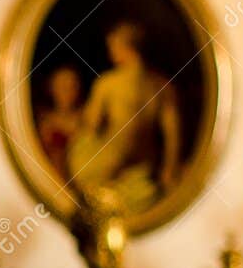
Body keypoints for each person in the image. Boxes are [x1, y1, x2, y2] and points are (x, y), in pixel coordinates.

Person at [66, 20, 182, 213]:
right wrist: (169, 169)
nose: (111, 52)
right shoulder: (162, 86)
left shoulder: (108, 84)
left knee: (78, 152)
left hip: (109, 167)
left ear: (125, 47)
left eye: (113, 46)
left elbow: (90, 126)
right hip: (144, 169)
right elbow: (173, 137)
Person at [36, 66, 84, 181]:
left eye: (72, 86)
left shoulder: (87, 117)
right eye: (62, 87)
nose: (68, 92)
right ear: (52, 89)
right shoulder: (43, 120)